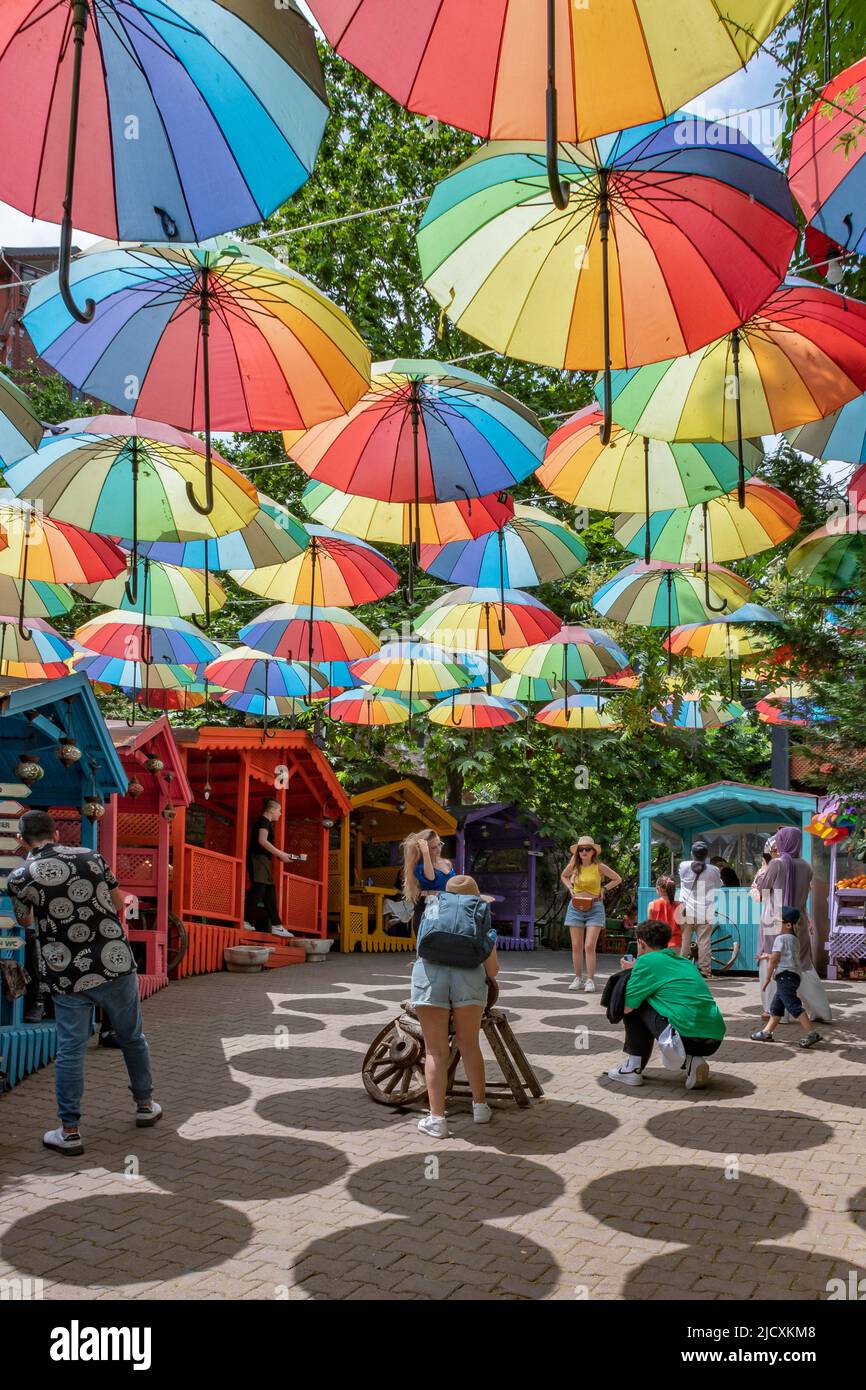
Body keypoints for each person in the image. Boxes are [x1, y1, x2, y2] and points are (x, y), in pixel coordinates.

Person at [7, 810, 161, 1156]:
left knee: (71, 1050)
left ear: (21, 840)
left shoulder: (20, 877)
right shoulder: (90, 857)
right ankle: (145, 1105)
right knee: (132, 1036)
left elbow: (26, 919)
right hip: (114, 961)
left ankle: (70, 1130)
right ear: (56, 834)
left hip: (66, 971)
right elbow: (119, 901)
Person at [410, 875, 499, 1138]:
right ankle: (480, 1108)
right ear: (476, 898)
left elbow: (420, 950)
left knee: (436, 1051)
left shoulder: (434, 909)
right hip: (469, 978)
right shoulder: (479, 918)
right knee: (469, 1043)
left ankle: (437, 1119)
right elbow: (492, 970)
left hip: (429, 977)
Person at [607, 919, 726, 1090]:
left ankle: (632, 1068)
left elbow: (626, 1007)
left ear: (640, 943)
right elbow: (661, 971)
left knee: (636, 1004)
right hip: (713, 1037)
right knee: (669, 1003)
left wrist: (633, 972)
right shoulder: (684, 962)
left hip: (685, 1035)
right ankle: (693, 1061)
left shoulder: (645, 963)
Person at [757, 825, 831, 1023]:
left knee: (772, 963)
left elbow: (763, 888)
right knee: (804, 965)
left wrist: (766, 866)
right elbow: (804, 897)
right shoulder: (806, 866)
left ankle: (776, 1013)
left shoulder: (776, 864)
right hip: (798, 921)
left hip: (775, 921)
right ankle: (821, 1010)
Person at [751, 908, 822, 1048]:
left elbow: (775, 960)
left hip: (785, 977)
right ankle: (767, 1032)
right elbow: (784, 957)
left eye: (777, 922)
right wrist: (767, 955)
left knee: (793, 1005)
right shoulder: (793, 939)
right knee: (776, 1006)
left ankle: (812, 1033)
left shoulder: (780, 939)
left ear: (788, 925)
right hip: (793, 976)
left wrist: (767, 978)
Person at [561, 835, 622, 994]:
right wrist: (570, 888)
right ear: (578, 852)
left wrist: (604, 889)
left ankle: (590, 979)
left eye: (588, 849)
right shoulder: (574, 866)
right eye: (581, 849)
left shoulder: (599, 866)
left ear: (593, 851)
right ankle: (578, 978)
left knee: (589, 946)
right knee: (576, 946)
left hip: (594, 907)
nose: (584, 852)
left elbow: (617, 878)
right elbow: (563, 875)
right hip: (575, 907)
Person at [245, 798, 299, 936]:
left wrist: (282, 855)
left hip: (261, 859)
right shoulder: (263, 821)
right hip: (257, 859)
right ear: (272, 810)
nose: (280, 813)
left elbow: (264, 844)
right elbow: (262, 841)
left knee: (269, 890)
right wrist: (280, 853)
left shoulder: (265, 822)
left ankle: (276, 925)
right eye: (279, 810)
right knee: (259, 889)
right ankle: (245, 920)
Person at [677, 840, 722, 979]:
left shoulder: (683, 866)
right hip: (705, 911)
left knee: (684, 941)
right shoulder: (714, 870)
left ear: (692, 854)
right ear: (706, 855)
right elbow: (718, 885)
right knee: (704, 941)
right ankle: (705, 970)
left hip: (686, 910)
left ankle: (682, 970)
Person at [401, 828, 455, 932]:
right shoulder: (419, 866)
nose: (439, 849)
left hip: (447, 906)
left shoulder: (447, 863)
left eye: (440, 844)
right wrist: (425, 853)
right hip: (429, 905)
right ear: (424, 849)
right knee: (430, 943)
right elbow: (431, 877)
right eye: (434, 847)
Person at [648, 875, 681, 950]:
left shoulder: (652, 905)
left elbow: (650, 929)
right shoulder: (679, 905)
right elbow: (683, 929)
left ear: (658, 889)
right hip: (676, 944)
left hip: (658, 945)